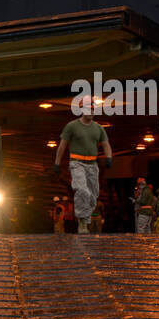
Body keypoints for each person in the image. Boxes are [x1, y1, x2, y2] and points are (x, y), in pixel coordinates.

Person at [52, 94, 113, 234]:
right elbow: (62, 146)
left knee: (93, 195)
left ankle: (85, 219)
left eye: (93, 109)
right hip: (77, 163)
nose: (91, 111)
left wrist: (109, 157)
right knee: (82, 191)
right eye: (88, 108)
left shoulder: (98, 128)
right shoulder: (72, 126)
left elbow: (106, 144)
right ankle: (82, 223)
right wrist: (57, 163)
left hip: (92, 164)